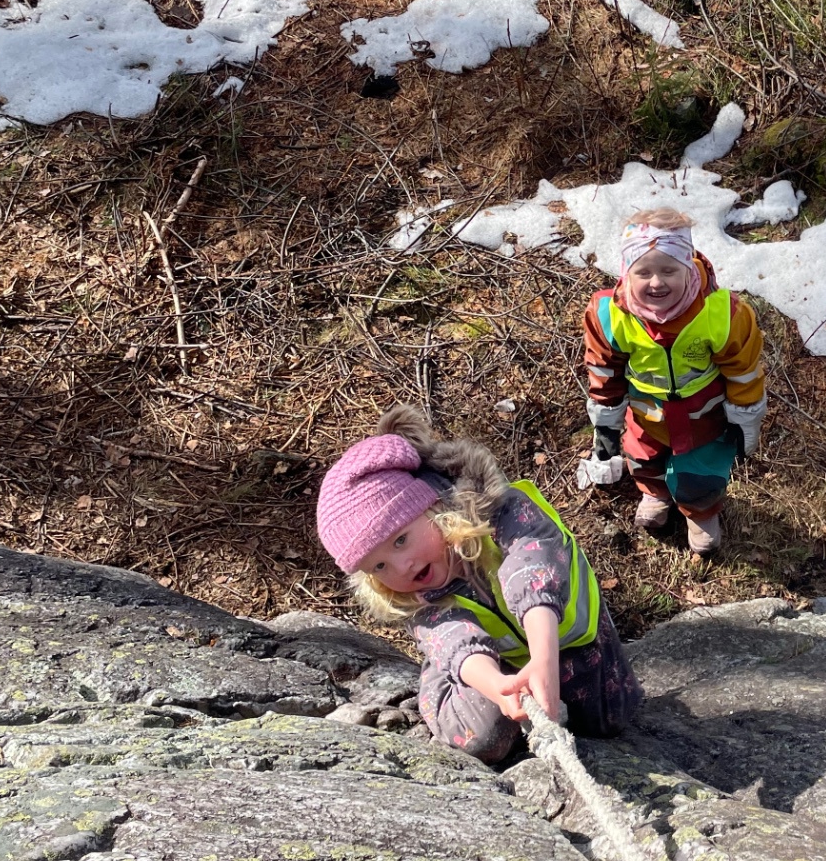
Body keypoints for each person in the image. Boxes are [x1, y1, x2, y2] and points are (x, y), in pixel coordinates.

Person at [315, 405, 640, 764]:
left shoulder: (504, 511)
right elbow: (452, 635)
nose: (402, 566)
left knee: (610, 720)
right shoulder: (413, 595)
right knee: (481, 740)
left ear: (431, 507)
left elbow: (530, 569)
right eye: (379, 565)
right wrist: (498, 688)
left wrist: (543, 658)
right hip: (484, 661)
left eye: (401, 540)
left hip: (558, 634)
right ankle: (441, 683)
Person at [583, 206, 767, 556]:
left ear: (688, 267)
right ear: (626, 272)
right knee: (642, 458)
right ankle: (655, 494)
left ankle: (700, 513)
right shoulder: (609, 314)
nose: (656, 282)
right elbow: (604, 368)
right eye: (644, 272)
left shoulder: (722, 313)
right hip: (645, 413)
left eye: (669, 270)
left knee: (701, 472)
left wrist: (746, 417)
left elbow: (744, 368)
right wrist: (606, 420)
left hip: (704, 416)